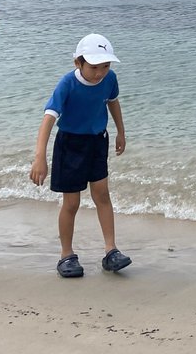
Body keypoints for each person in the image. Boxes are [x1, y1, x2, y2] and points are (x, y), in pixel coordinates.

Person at [29, 33, 132, 278]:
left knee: (102, 194)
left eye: (105, 66)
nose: (100, 73)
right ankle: (66, 254)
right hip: (70, 144)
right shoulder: (67, 84)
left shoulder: (110, 79)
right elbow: (48, 118)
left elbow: (113, 101)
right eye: (94, 67)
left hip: (98, 140)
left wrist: (121, 132)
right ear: (78, 63)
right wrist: (40, 157)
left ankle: (111, 250)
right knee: (72, 202)